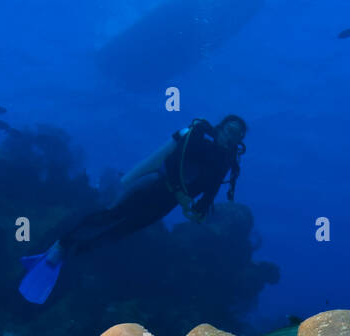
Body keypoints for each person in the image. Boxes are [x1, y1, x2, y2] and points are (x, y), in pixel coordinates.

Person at [18, 115, 248, 303]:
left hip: (169, 201)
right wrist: (179, 190)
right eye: (230, 129)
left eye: (238, 134)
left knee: (124, 230)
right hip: (153, 184)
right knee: (113, 215)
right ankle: (61, 245)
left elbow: (212, 187)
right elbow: (175, 161)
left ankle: (69, 254)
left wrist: (201, 208)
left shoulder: (226, 160)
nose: (232, 136)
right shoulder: (200, 135)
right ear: (221, 127)